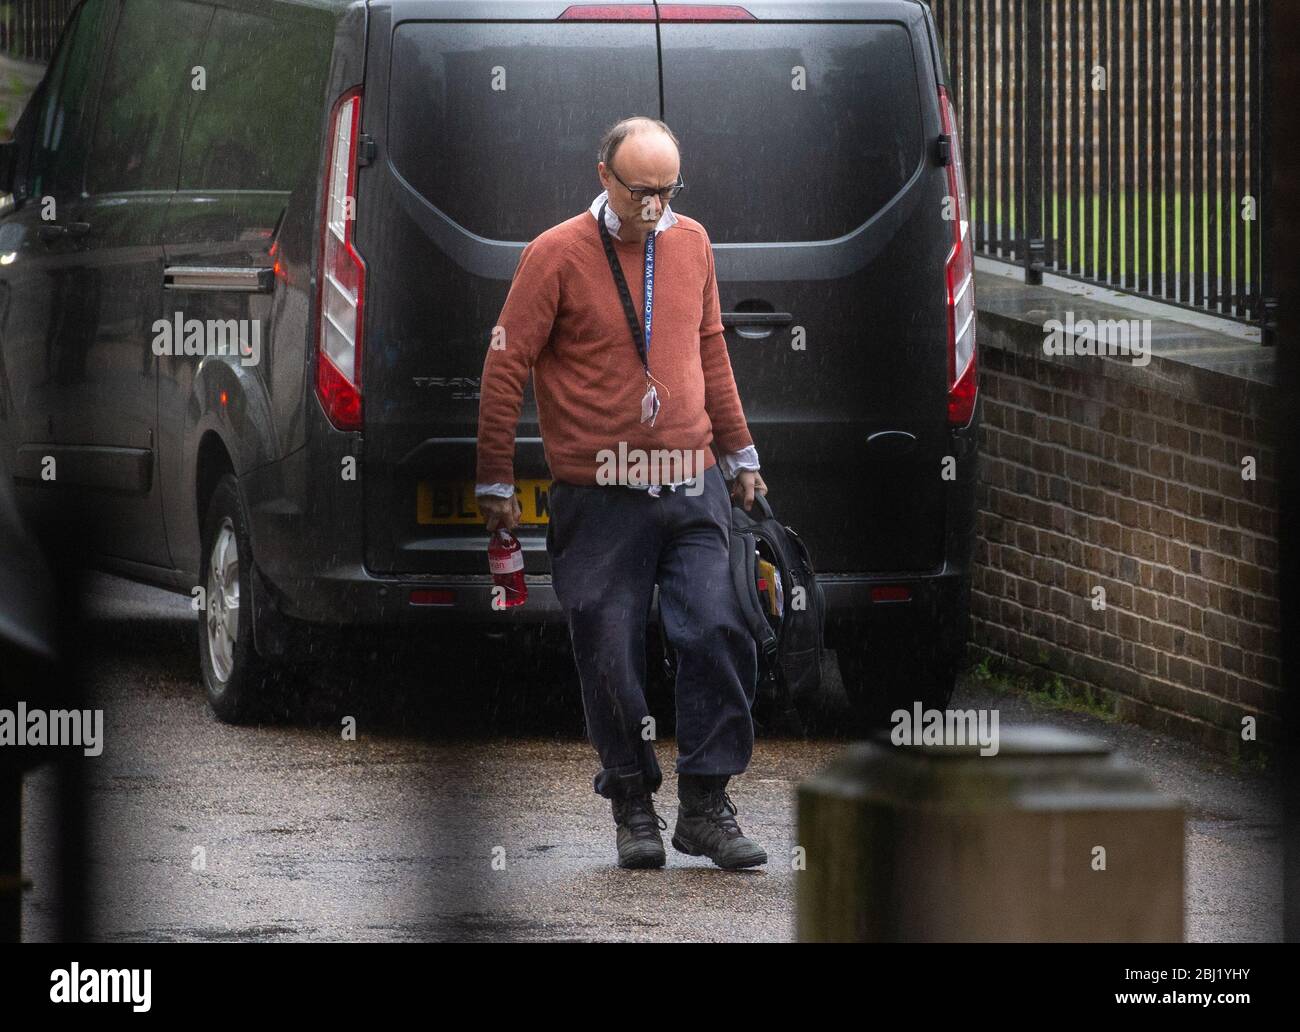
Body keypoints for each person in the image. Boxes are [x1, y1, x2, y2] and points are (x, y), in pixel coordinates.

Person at [475, 116, 769, 870]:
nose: (655, 207)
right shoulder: (556, 255)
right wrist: (496, 477)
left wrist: (740, 457)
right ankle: (632, 803)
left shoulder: (692, 241)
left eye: (668, 192)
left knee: (718, 628)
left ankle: (706, 805)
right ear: (603, 176)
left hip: (690, 480)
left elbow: (711, 350)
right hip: (597, 490)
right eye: (642, 191)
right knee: (607, 648)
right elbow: (506, 365)